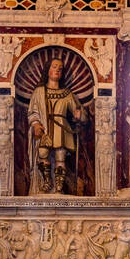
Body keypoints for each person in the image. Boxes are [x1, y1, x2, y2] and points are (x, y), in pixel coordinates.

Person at [28, 56, 86, 194]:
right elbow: (32, 111)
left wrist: (80, 115)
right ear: (47, 70)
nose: (57, 71)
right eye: (54, 67)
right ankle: (47, 181)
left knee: (61, 156)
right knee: (43, 152)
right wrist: (36, 124)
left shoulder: (67, 94)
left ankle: (59, 187)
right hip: (45, 128)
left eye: (60, 69)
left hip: (62, 128)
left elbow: (79, 112)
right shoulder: (39, 92)